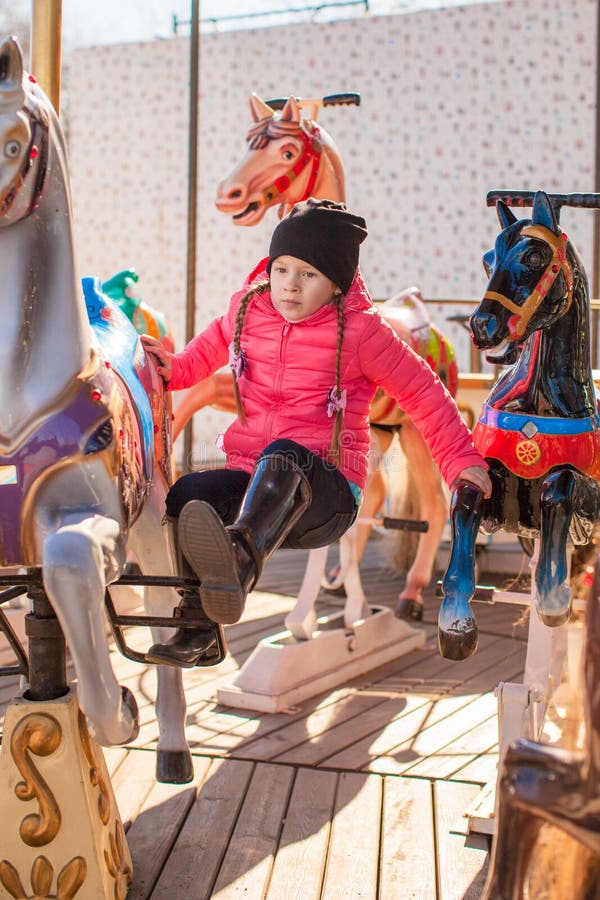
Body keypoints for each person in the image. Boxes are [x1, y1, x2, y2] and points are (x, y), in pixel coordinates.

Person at [141, 198, 491, 668]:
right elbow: (204, 353)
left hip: (326, 496)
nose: (289, 285)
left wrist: (461, 461)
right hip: (256, 489)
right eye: (282, 269)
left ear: (336, 283)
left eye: (308, 275)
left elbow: (424, 393)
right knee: (189, 493)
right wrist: (174, 367)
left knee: (285, 455)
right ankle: (198, 625)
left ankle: (239, 560)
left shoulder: (363, 331)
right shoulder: (249, 307)